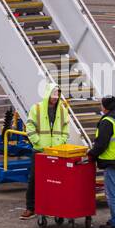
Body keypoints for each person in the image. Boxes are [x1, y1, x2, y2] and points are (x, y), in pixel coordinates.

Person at [20, 84, 69, 220]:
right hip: (40, 151)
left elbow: (66, 126)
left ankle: (52, 206)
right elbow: (29, 126)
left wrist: (62, 140)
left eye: (57, 96)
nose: (55, 99)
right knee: (34, 179)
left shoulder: (62, 109)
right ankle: (31, 208)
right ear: (48, 95)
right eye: (53, 96)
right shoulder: (36, 108)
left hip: (56, 151)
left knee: (55, 181)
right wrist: (37, 142)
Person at [87, 95, 115, 228]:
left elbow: (101, 144)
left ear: (104, 107)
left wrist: (92, 154)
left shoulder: (107, 121)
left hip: (113, 162)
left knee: (112, 193)